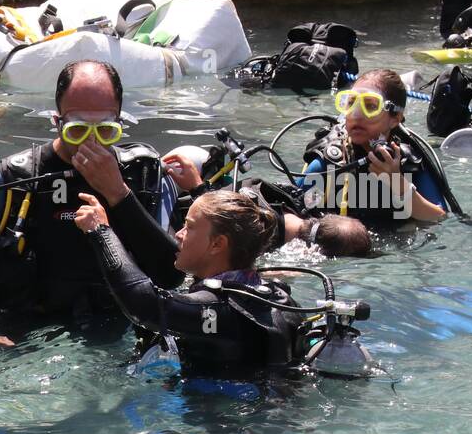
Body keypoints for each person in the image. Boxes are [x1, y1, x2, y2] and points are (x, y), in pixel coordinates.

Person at [0, 59, 183, 360]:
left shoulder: (142, 176)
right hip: (25, 336)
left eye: (105, 131)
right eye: (77, 130)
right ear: (57, 122)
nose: (91, 141)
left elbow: (172, 276)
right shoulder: (10, 180)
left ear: (119, 122)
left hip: (120, 331)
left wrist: (117, 193)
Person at [74, 186, 311, 372]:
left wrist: (100, 231)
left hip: (227, 426)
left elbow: (143, 304)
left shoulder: (224, 308)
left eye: (189, 226)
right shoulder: (270, 294)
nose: (179, 234)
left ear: (217, 244)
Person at [299, 68, 452, 227]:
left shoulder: (408, 163)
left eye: (370, 106)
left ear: (395, 119)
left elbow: (440, 218)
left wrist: (400, 186)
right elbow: (289, 211)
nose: (356, 115)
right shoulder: (329, 163)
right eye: (351, 103)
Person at [164, 146, 371, 256]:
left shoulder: (294, 202)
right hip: (191, 204)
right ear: (313, 250)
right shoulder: (257, 235)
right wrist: (197, 188)